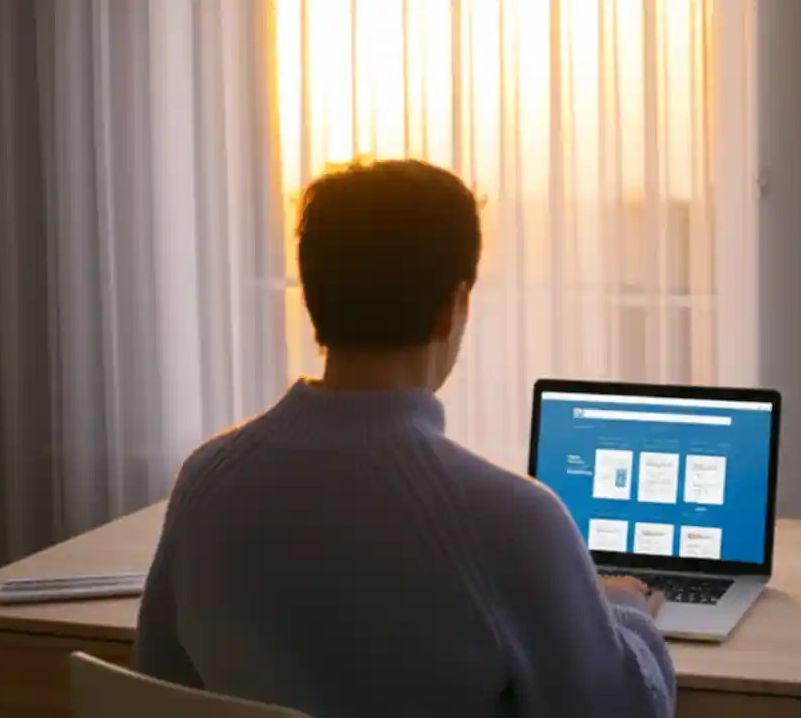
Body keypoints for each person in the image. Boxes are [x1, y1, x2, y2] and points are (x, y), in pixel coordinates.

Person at [135, 160, 675, 717]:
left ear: (314, 298)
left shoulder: (206, 481)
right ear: (452, 307)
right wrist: (625, 615)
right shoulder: (513, 518)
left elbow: (156, 684)